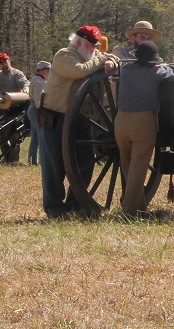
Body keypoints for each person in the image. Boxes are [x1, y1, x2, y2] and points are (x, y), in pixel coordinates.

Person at [38, 25, 117, 218]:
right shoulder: (64, 56)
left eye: (96, 45)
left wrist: (111, 60)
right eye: (91, 44)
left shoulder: (92, 55)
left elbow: (111, 58)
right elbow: (78, 71)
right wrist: (102, 60)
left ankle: (75, 204)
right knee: (54, 166)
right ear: (79, 41)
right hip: (56, 119)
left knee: (85, 163)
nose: (94, 48)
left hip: (80, 119)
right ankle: (54, 207)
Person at [114, 41, 174, 216]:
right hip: (142, 122)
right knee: (138, 170)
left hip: (121, 121)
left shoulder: (126, 70)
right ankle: (129, 212)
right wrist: (163, 66)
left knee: (127, 167)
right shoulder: (156, 72)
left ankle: (140, 207)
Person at [0, 53, 30, 162]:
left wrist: (26, 88)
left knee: (14, 135)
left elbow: (24, 82)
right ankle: (6, 158)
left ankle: (13, 160)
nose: (3, 64)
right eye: (0, 62)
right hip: (1, 109)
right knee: (1, 135)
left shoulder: (16, 73)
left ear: (9, 61)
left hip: (15, 109)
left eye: (5, 61)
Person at [26, 61, 51, 165]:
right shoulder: (39, 82)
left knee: (35, 137)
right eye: (49, 71)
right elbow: (38, 101)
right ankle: (42, 160)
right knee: (41, 135)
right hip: (36, 109)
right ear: (44, 70)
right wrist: (43, 111)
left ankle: (32, 160)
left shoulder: (37, 79)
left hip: (33, 109)